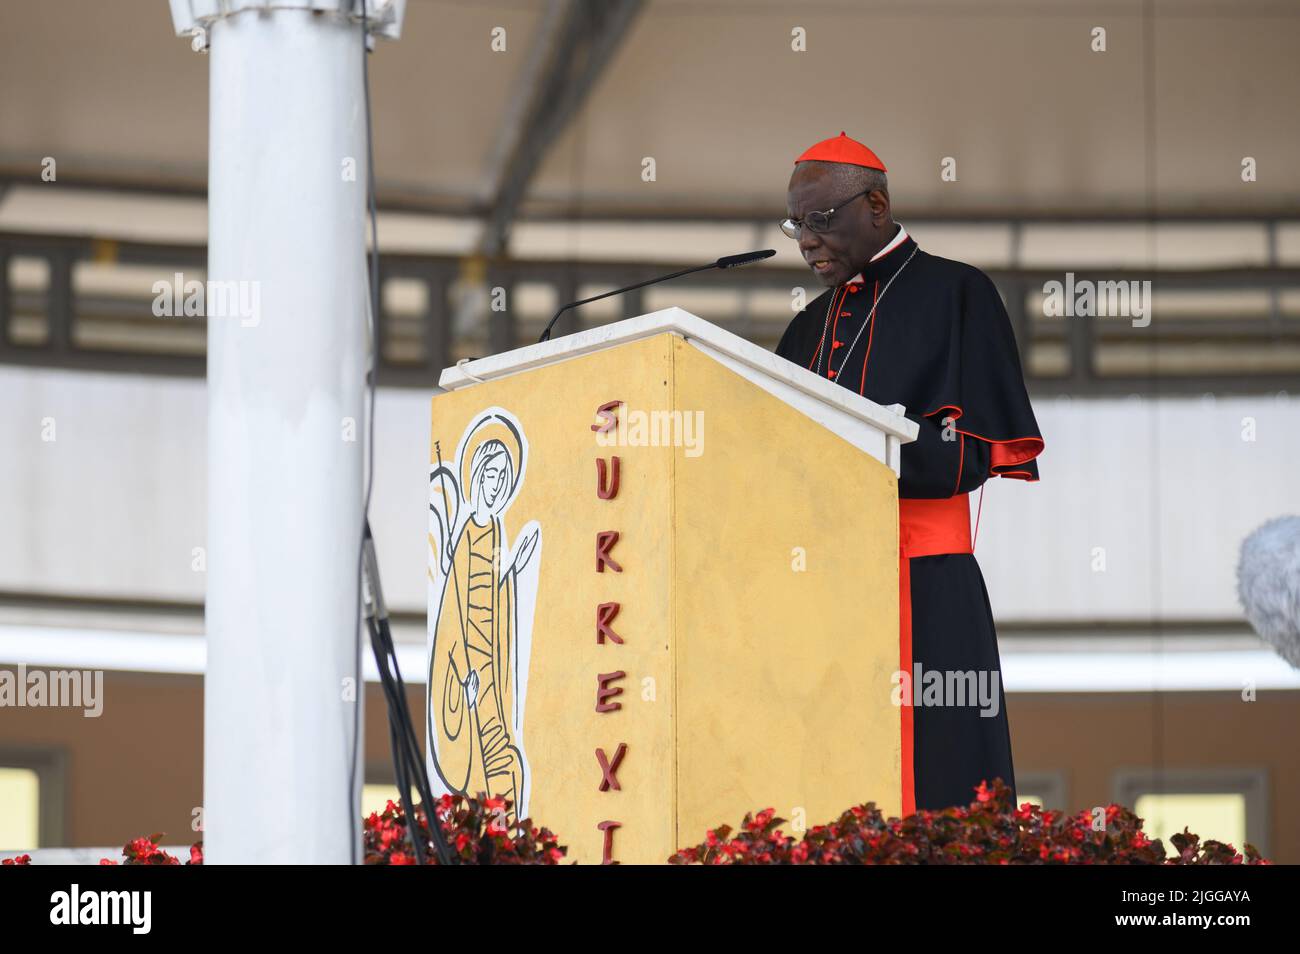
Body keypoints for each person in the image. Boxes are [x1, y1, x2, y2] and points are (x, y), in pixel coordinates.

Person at [774, 132, 1044, 813]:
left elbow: (969, 456)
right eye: (795, 225)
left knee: (942, 789)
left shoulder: (959, 292)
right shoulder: (805, 330)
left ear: (876, 204)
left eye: (820, 220)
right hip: (823, 588)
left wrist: (858, 438)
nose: (806, 240)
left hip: (927, 585)